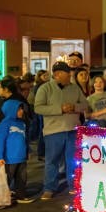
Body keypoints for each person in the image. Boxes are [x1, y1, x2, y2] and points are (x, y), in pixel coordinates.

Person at [34, 61, 88, 200]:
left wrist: (75, 107)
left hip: (72, 129)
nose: (70, 75)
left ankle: (73, 185)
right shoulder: (45, 88)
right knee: (52, 161)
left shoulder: (74, 88)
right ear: (57, 74)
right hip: (53, 131)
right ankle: (49, 188)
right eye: (67, 73)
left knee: (72, 160)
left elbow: (85, 104)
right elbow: (38, 108)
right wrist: (60, 109)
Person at [0, 99, 34, 204]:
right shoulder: (4, 125)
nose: (21, 111)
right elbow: (0, 142)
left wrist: (28, 151)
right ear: (11, 110)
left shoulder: (22, 123)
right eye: (19, 109)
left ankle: (20, 195)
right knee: (7, 179)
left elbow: (25, 139)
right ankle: (0, 198)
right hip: (9, 158)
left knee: (22, 178)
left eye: (21, 109)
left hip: (21, 157)